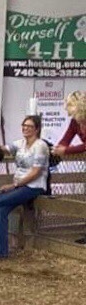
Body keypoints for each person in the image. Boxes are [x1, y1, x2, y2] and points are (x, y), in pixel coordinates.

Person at [0, 115, 49, 258]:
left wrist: (13, 185)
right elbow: (4, 149)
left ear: (37, 129)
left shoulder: (40, 146)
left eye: (29, 126)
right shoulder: (20, 143)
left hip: (33, 186)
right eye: (24, 125)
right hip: (20, 185)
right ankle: (0, 252)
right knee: (1, 210)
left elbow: (36, 173)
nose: (26, 128)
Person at [53, 92, 86, 244]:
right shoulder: (75, 122)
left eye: (69, 106)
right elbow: (66, 140)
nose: (67, 110)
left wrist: (66, 151)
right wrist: (57, 149)